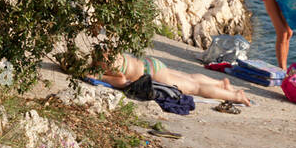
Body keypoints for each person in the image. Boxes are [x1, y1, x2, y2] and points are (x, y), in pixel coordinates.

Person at [100, 50, 253, 106]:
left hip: (152, 74)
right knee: (189, 77)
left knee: (195, 88)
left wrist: (103, 78)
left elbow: (121, 80)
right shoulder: (104, 52)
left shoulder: (103, 68)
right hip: (149, 63)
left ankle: (235, 96)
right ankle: (219, 83)